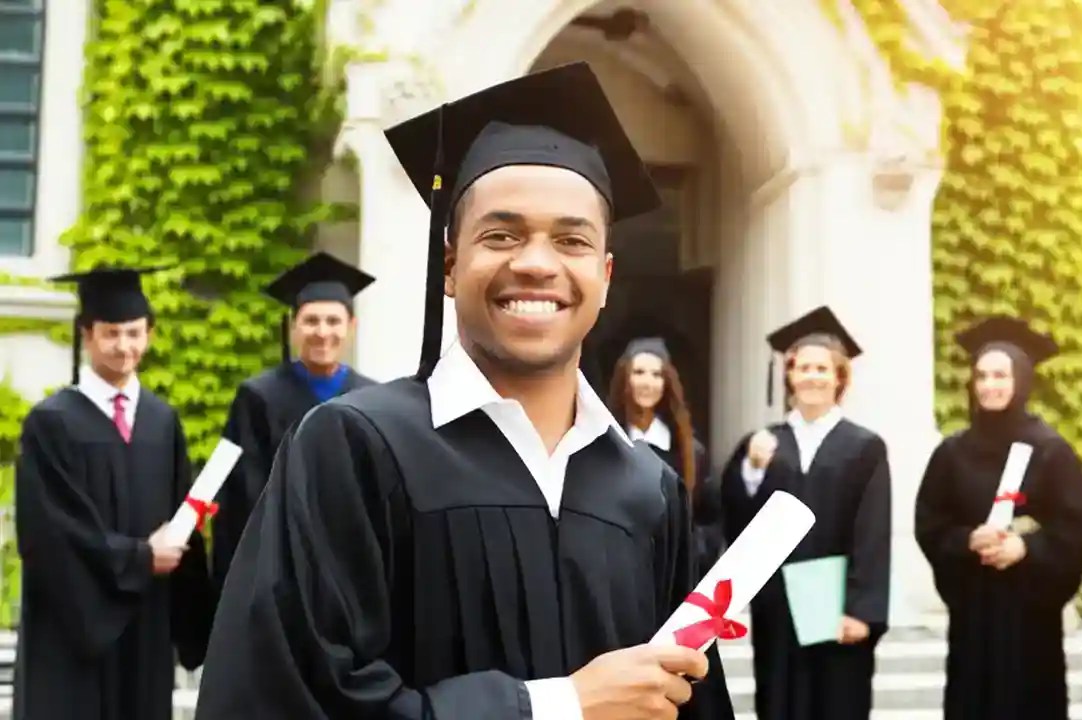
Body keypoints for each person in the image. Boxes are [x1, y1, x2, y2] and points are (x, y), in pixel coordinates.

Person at [194, 61, 733, 720]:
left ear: (606, 274)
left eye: (571, 240)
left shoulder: (647, 490)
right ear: (450, 266)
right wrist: (559, 705)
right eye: (501, 235)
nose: (536, 263)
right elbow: (292, 696)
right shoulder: (355, 450)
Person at [13, 266, 214, 720]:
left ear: (149, 334)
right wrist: (141, 557)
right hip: (71, 634)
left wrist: (192, 610)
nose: (124, 347)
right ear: (87, 335)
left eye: (134, 333)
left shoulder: (163, 422)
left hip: (146, 627)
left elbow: (182, 522)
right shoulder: (51, 423)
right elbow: (50, 534)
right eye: (111, 334)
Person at [914, 316, 1082, 720]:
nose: (989, 385)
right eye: (981, 375)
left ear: (1022, 380)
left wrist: (1025, 547)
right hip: (974, 612)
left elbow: (1073, 529)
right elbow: (930, 523)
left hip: (1031, 615)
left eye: (1000, 375)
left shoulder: (1051, 451)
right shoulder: (952, 453)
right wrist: (965, 541)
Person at [719, 306, 891, 720]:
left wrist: (861, 609)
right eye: (803, 368)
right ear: (790, 377)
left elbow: (874, 531)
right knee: (779, 703)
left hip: (835, 605)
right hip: (778, 603)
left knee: (837, 702)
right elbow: (734, 517)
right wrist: (751, 472)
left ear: (839, 378)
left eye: (822, 368)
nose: (812, 376)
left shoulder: (864, 446)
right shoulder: (763, 444)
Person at [212, 251, 376, 593]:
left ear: (351, 327)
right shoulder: (258, 397)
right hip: (278, 571)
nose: (322, 332)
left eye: (333, 321)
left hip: (351, 571)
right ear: (293, 326)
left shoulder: (372, 399)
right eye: (311, 320)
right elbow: (240, 495)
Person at [608, 336, 723, 576]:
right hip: (617, 576)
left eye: (657, 375)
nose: (648, 383)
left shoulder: (690, 453)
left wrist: (684, 552)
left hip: (672, 579)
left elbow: (710, 521)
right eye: (639, 372)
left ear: (666, 383)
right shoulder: (605, 444)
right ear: (625, 378)